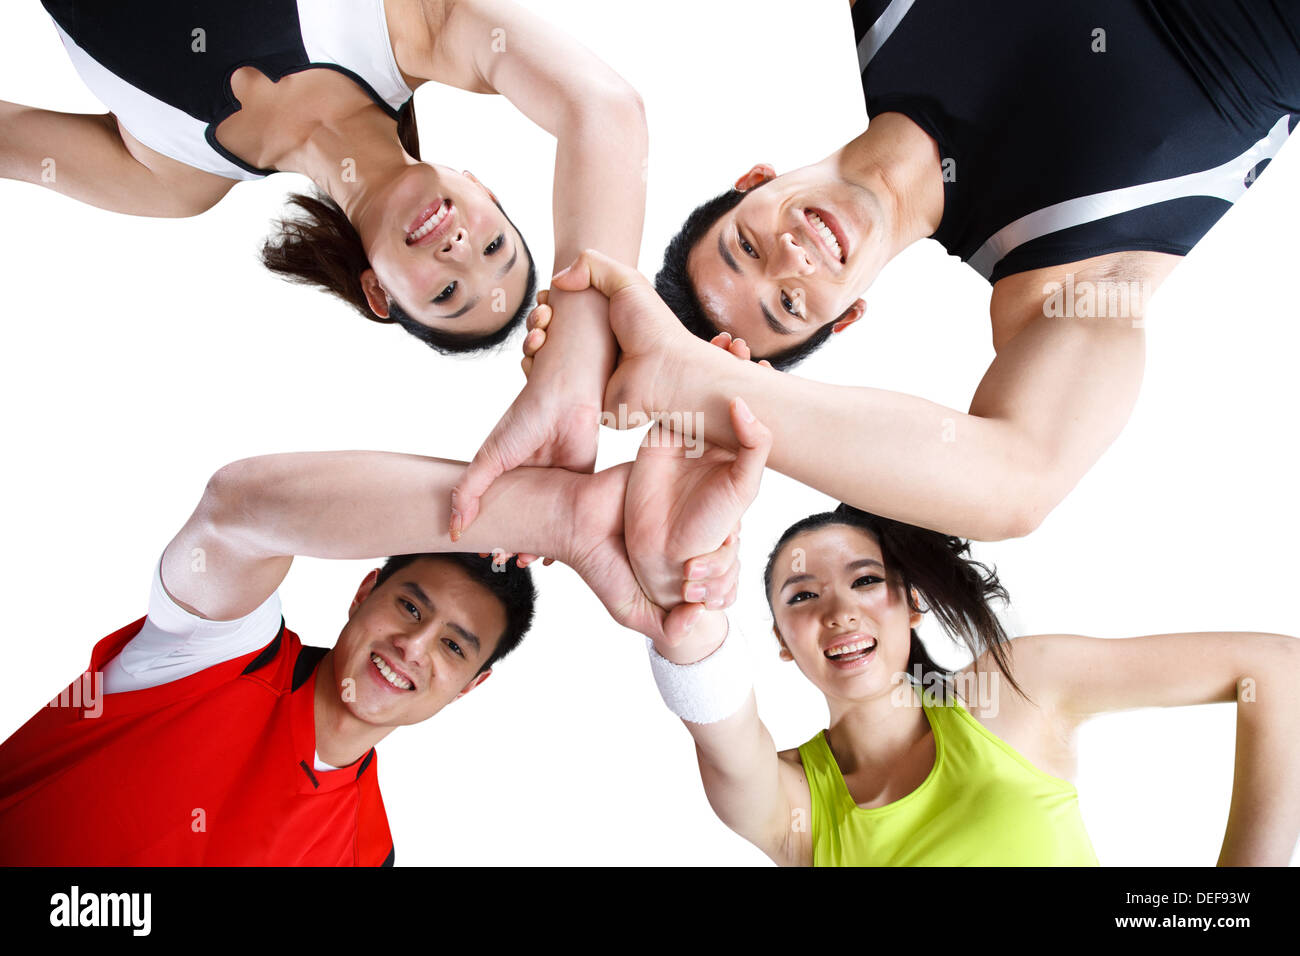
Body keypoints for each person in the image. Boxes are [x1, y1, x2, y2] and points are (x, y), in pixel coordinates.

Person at [463, 0, 1300, 541]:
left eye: (745, 247)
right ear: (848, 315)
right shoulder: (1062, 270)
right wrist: (706, 394)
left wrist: (584, 337)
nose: (789, 258)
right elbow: (1021, 479)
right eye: (790, 304)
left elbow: (594, 106)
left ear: (753, 182)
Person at [0, 396, 772, 865]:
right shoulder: (210, 655)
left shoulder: (367, 852)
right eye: (410, 607)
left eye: (453, 646)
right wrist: (557, 515)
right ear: (364, 590)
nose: (415, 646)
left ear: (473, 688)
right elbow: (235, 508)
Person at [625, 498, 1300, 866]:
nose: (839, 612)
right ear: (780, 641)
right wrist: (678, 606)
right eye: (801, 597)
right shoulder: (793, 807)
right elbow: (719, 723)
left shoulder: (1017, 693)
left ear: (911, 604)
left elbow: (1275, 670)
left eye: (865, 580)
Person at [1, 0, 647, 365]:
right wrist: (585, 349)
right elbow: (605, 110)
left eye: (449, 292)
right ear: (481, 188)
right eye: (494, 247)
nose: (459, 252)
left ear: (379, 294)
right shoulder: (421, 26)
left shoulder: (174, 179)